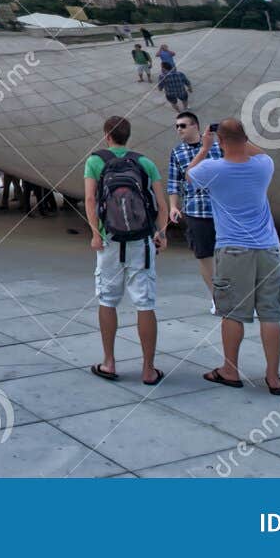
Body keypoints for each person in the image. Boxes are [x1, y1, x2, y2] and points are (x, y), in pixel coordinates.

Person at [188, 119, 280, 395]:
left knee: (232, 313)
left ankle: (230, 370)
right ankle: (273, 377)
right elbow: (259, 152)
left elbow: (189, 175)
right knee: (270, 315)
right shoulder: (263, 166)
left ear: (220, 142)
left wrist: (205, 147)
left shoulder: (212, 168)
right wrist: (237, 137)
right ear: (245, 139)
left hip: (233, 249)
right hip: (268, 248)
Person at [82, 117, 167, 384]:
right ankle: (148, 370)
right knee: (145, 304)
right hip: (141, 242)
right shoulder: (145, 162)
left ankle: (109, 362)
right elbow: (161, 204)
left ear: (107, 135)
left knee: (107, 300)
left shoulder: (95, 161)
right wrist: (161, 233)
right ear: (128, 136)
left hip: (109, 241)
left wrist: (95, 234)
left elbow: (90, 199)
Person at [167, 112, 223, 311]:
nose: (179, 130)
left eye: (183, 125)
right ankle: (217, 298)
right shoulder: (177, 153)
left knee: (232, 255)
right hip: (196, 212)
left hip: (222, 209)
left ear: (195, 127)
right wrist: (173, 206)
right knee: (204, 256)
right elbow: (174, 182)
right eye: (177, 126)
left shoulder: (217, 147)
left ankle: (240, 297)